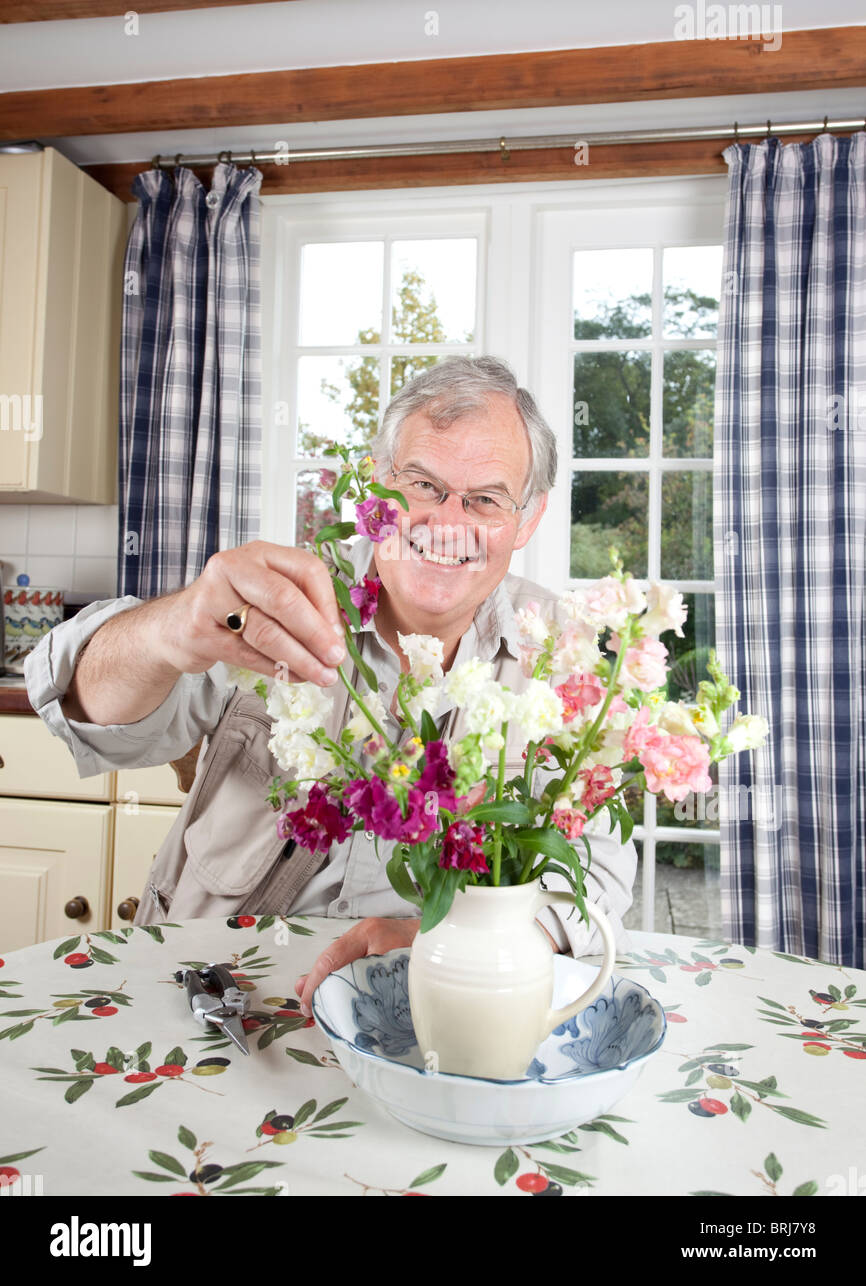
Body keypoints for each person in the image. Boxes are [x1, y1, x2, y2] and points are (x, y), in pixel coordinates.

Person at [26, 356, 636, 1016]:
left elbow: (597, 884)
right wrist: (167, 629)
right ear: (377, 484)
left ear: (527, 518)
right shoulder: (276, 603)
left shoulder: (566, 656)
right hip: (220, 988)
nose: (448, 523)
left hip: (435, 1001)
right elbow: (91, 719)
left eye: (484, 499)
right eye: (424, 485)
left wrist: (445, 943)